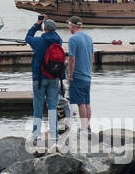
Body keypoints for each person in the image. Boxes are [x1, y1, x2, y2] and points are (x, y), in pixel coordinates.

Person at [25, 17, 64, 147]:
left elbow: (28, 37)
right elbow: (55, 35)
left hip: (39, 79)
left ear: (44, 29)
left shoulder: (38, 42)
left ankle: (36, 135)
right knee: (52, 107)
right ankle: (55, 136)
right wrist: (47, 24)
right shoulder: (58, 41)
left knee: (38, 108)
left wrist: (37, 24)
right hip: (54, 78)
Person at [65, 17, 94, 131]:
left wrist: (71, 74)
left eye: (69, 25)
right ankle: (88, 126)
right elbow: (92, 56)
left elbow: (72, 58)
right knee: (87, 102)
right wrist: (88, 69)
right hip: (87, 74)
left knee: (80, 103)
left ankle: (83, 127)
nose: (68, 28)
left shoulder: (73, 39)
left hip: (77, 74)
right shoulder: (88, 37)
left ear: (73, 26)